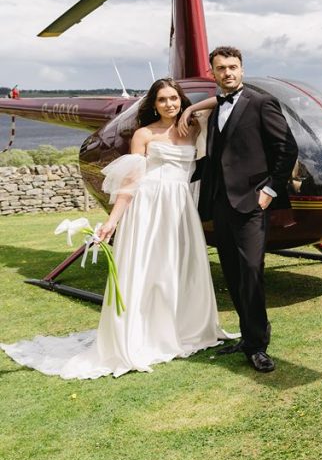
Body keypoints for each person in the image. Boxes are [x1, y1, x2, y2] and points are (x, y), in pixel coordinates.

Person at [0, 78, 231, 379]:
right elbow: (130, 181)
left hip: (180, 207)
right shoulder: (143, 134)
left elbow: (224, 99)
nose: (169, 104)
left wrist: (192, 111)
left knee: (179, 267)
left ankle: (181, 329)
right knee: (146, 269)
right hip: (148, 206)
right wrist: (113, 220)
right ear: (153, 104)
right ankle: (143, 335)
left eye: (174, 98)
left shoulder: (194, 126)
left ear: (181, 100)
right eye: (162, 100)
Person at [182, 46, 297, 373]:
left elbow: (286, 148)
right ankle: (247, 338)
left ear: (242, 70)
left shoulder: (261, 103)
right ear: (213, 73)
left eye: (233, 67)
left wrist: (271, 189)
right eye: (221, 68)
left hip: (251, 203)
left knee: (250, 272)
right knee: (232, 273)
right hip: (221, 204)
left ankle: (258, 345)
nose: (228, 73)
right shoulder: (217, 106)